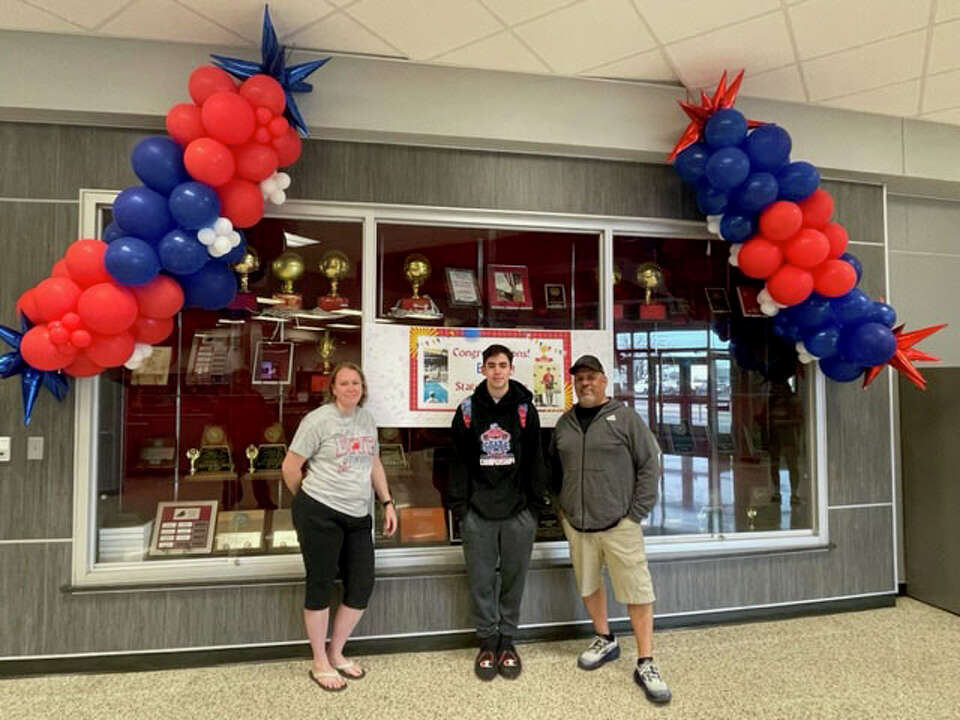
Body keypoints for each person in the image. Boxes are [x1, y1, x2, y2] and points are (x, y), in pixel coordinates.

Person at [549, 354, 671, 704]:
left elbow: (650, 464)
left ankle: (646, 661)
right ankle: (605, 638)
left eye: (591, 377)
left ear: (604, 381)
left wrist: (636, 514)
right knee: (588, 585)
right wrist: (563, 512)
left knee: (636, 591)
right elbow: (553, 471)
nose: (585, 383)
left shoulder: (625, 418)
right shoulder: (564, 423)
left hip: (621, 524)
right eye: (579, 378)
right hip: (578, 524)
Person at [281, 361, 397, 692]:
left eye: (356, 383)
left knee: (361, 585)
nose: (350, 389)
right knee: (320, 584)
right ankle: (319, 660)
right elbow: (291, 467)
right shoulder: (317, 420)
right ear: (333, 388)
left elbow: (374, 462)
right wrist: (307, 501)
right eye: (344, 383)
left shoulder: (366, 419)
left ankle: (337, 651)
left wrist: (387, 501)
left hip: (359, 515)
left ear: (363, 388)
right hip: (320, 511)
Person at [450, 344, 547, 681]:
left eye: (502, 365)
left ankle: (508, 641)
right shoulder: (466, 410)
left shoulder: (524, 410)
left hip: (519, 511)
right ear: (482, 369)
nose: (497, 371)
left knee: (513, 579)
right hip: (478, 512)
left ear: (511, 368)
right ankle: (487, 642)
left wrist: (535, 507)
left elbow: (536, 457)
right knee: (480, 581)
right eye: (491, 365)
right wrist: (461, 508)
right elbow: (458, 462)